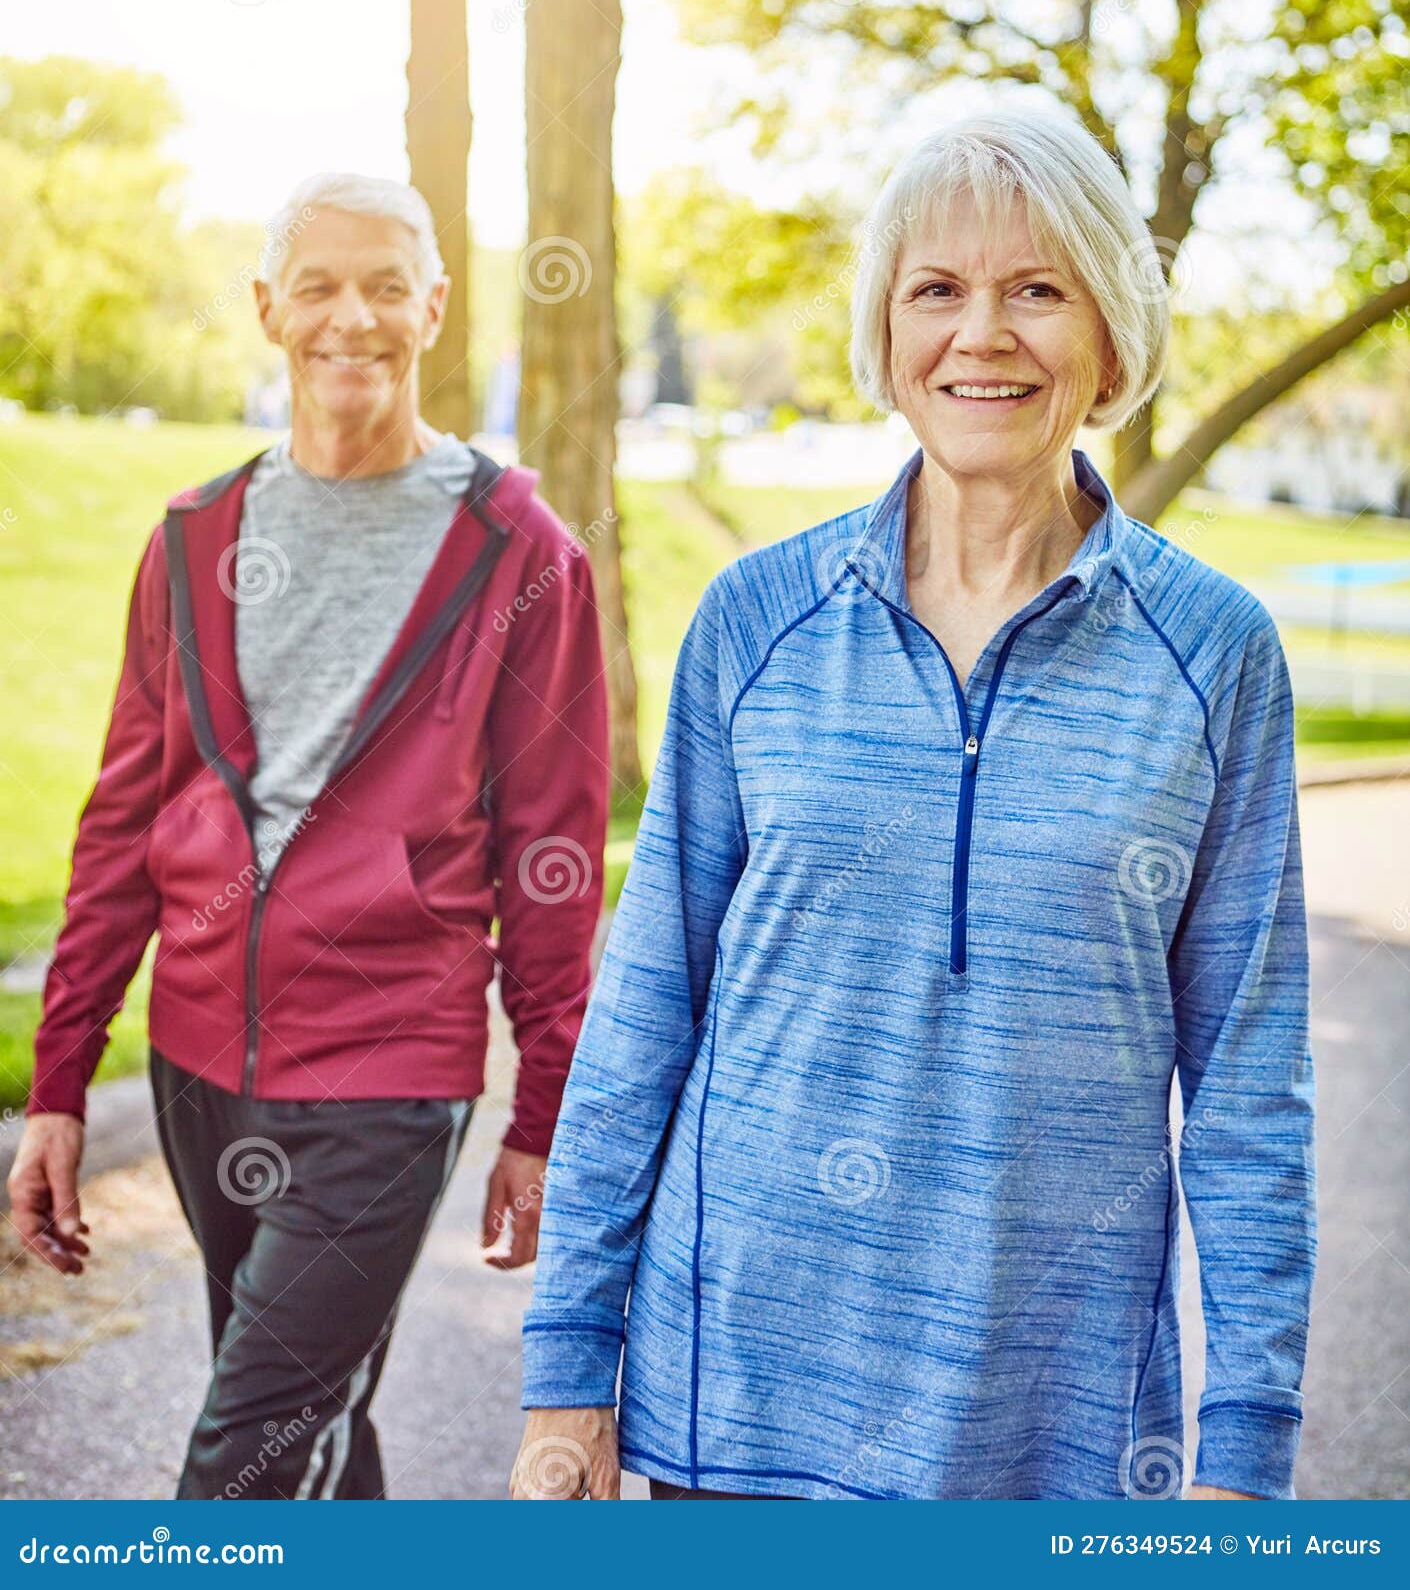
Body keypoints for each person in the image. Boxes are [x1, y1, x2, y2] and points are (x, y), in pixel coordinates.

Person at [510, 111, 1316, 1502]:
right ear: (885, 339)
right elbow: (643, 1011)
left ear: (1110, 337)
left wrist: (1243, 1450)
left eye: (1036, 290)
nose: (980, 334)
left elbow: (1248, 1087)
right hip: (739, 1407)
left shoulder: (1214, 653)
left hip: (1047, 1436)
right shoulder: (756, 621)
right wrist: (570, 1369)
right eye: (935, 290)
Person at [7, 173, 610, 1499]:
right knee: (304, 1420)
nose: (355, 317)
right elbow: (121, 823)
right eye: (321, 286)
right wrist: (59, 1082)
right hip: (197, 1055)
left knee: (241, 1458)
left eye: (387, 284)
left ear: (434, 307)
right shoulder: (194, 537)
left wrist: (544, 1112)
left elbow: (550, 860)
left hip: (392, 1064)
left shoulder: (515, 549)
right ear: (269, 308)